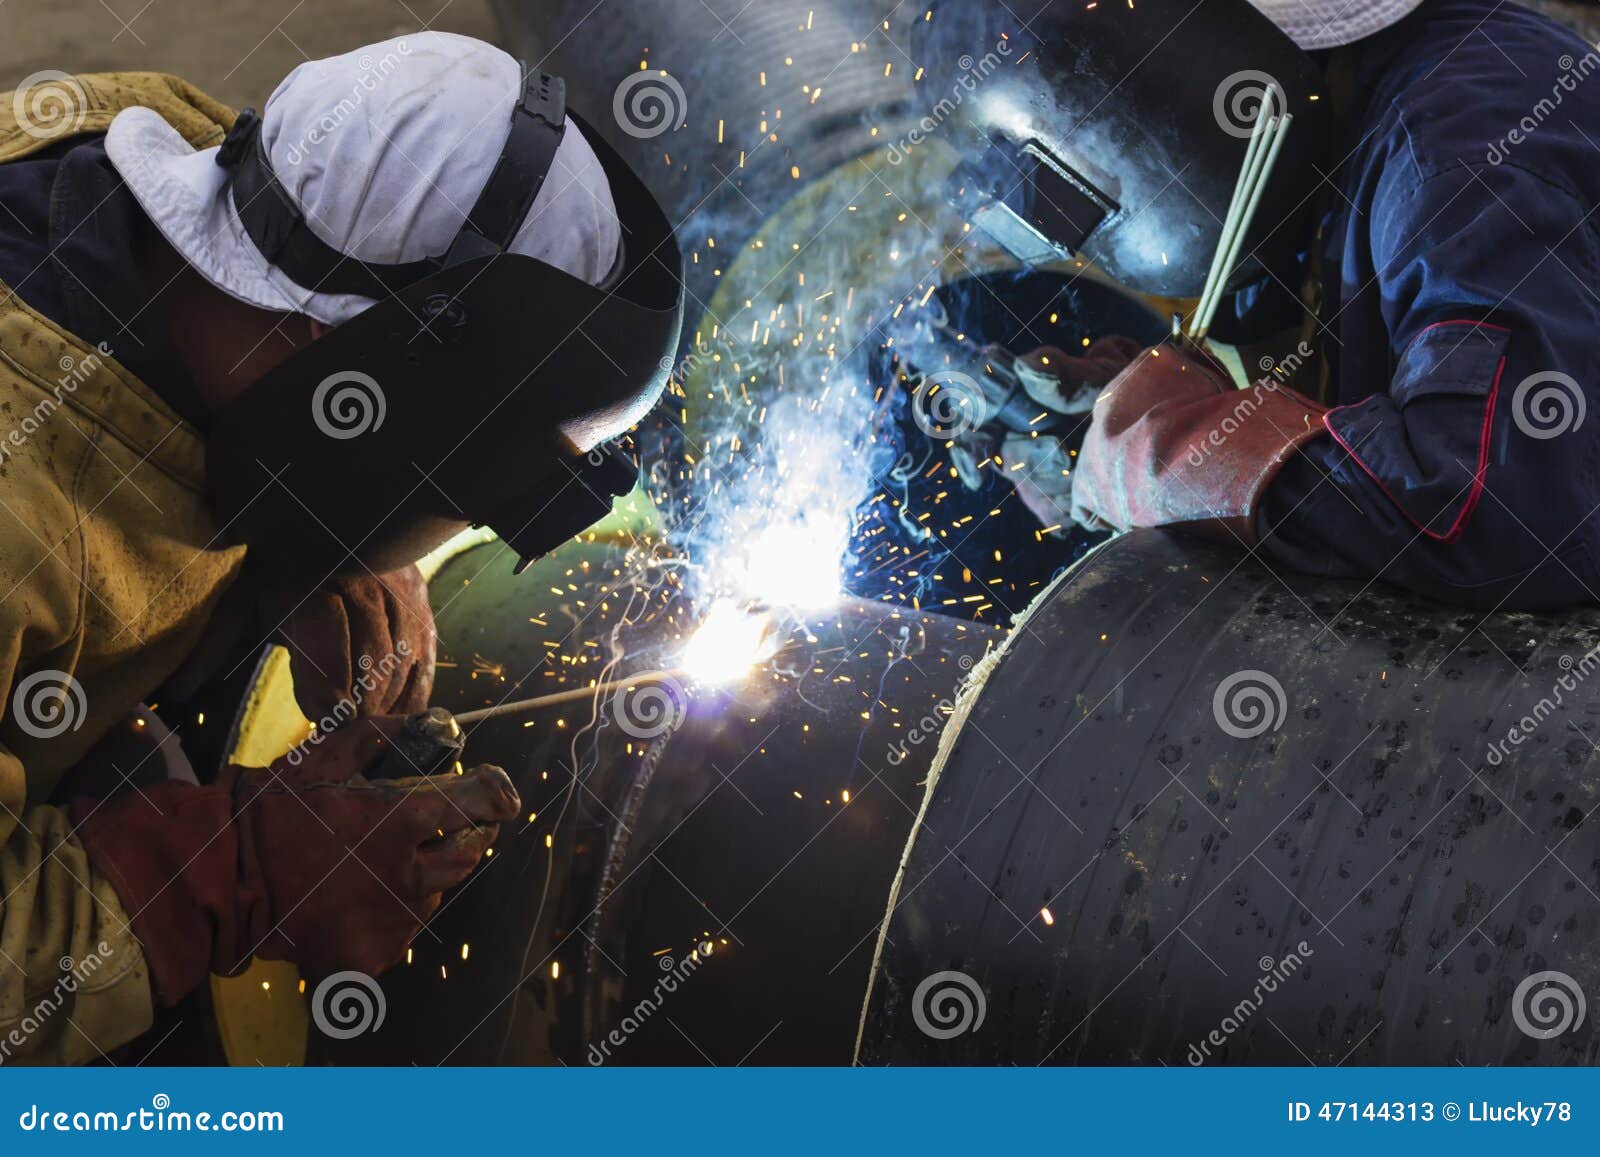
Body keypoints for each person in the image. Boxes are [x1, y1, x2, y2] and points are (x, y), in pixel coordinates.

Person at [0, 32, 678, 1062]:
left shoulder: (172, 146)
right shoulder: (25, 531)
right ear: (349, 369)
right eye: (478, 480)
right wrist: (235, 872)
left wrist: (307, 541)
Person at [1010, 0, 1600, 610]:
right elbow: (1323, 387)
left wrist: (1173, 463)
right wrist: (1128, 415)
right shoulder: (1308, 126)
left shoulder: (1464, 148)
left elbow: (1494, 512)